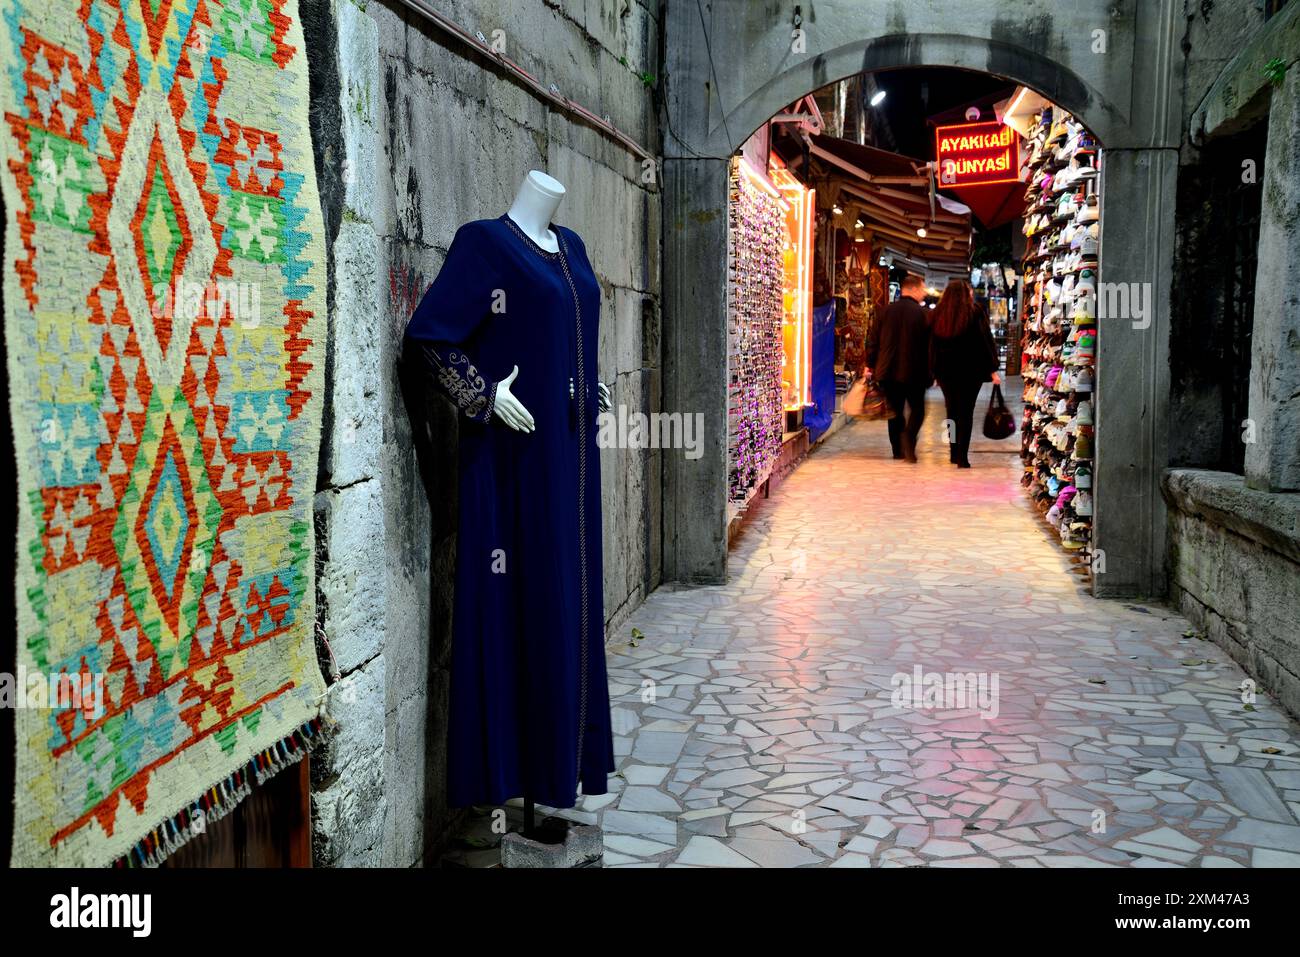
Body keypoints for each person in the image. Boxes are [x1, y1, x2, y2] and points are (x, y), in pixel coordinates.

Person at [930, 279, 1001, 468]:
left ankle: (953, 453)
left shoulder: (937, 314)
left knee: (951, 412)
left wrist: (934, 371)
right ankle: (962, 457)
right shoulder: (974, 312)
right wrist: (993, 368)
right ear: (965, 294)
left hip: (946, 372)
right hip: (971, 372)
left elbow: (932, 346)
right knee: (966, 413)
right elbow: (985, 341)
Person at [866, 274, 932, 462]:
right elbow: (929, 346)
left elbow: (873, 341)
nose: (924, 293)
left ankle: (898, 451)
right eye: (922, 289)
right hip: (915, 371)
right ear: (912, 289)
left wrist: (870, 365)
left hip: (888, 371)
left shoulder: (885, 312)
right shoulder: (923, 314)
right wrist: (931, 371)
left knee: (894, 412)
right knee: (917, 410)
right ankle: (909, 439)